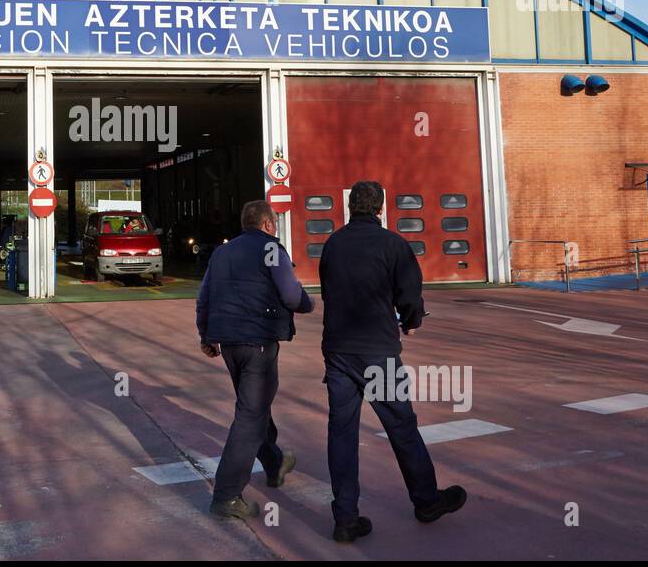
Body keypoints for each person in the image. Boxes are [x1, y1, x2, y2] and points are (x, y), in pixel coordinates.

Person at [318, 181, 466, 543]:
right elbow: (410, 295)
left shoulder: (333, 245)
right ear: (380, 208)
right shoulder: (393, 245)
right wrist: (411, 321)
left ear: (350, 206)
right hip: (378, 353)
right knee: (401, 425)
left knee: (341, 432)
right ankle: (427, 501)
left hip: (338, 352)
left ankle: (345, 518)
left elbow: (328, 289)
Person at [196, 199, 314, 522]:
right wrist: (308, 303)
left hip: (229, 343)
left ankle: (274, 462)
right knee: (250, 415)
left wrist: (206, 335)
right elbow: (291, 295)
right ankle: (226, 494)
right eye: (274, 223)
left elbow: (204, 296)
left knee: (255, 407)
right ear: (267, 224)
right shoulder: (272, 250)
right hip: (259, 342)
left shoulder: (221, 253)